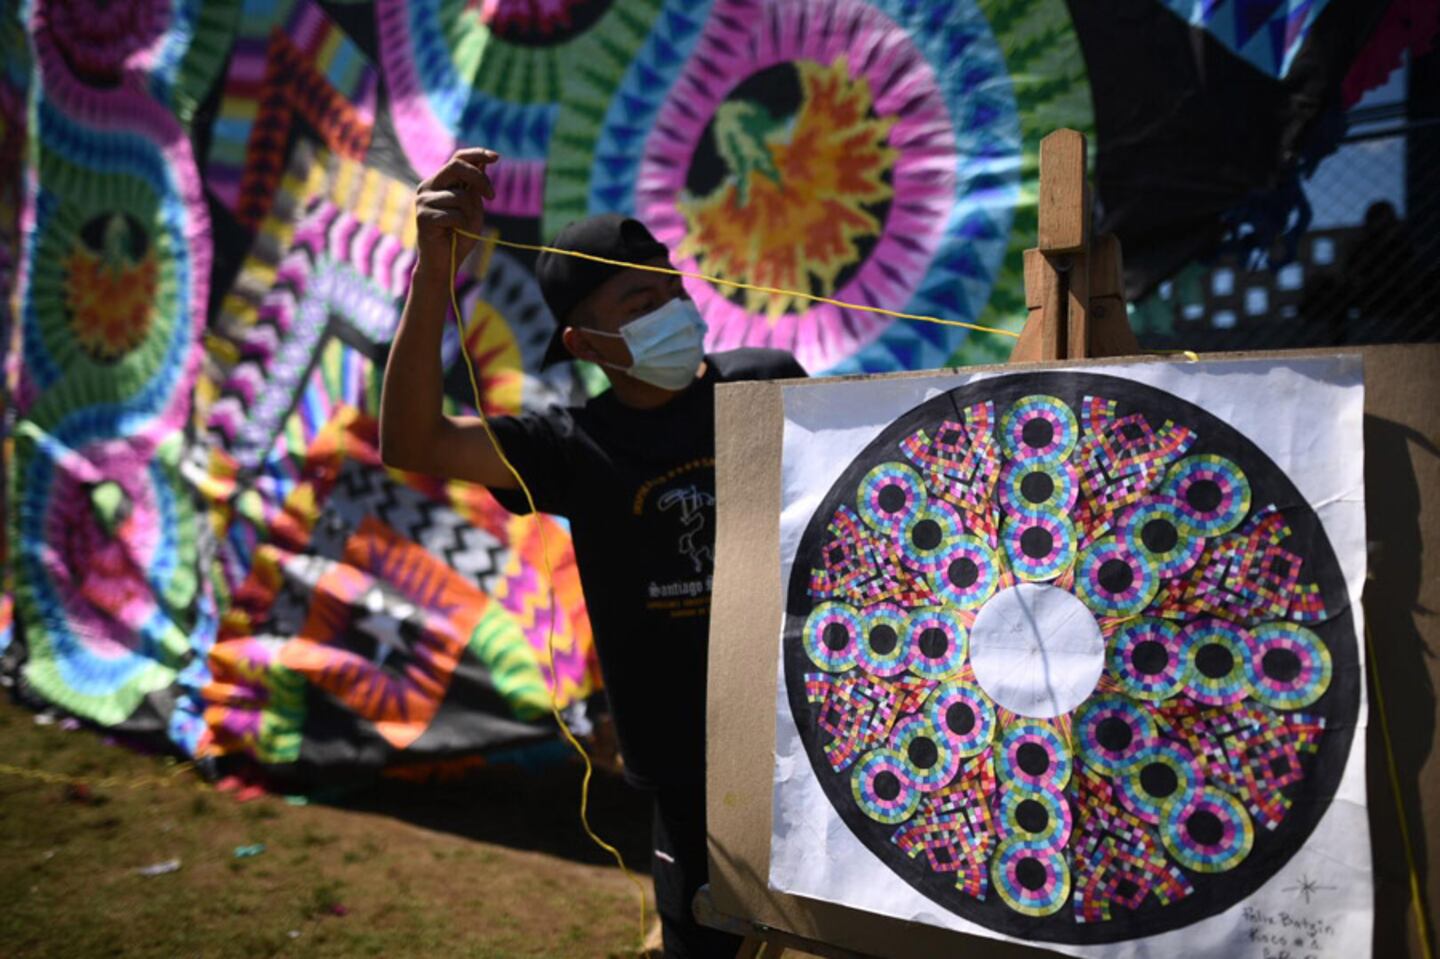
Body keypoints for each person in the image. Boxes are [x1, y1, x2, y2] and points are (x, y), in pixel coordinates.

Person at [379, 147, 807, 958]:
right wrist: (431, 272)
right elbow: (412, 440)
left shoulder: (771, 384)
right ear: (586, 341)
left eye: (673, 285)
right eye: (642, 298)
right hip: (683, 770)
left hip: (804, 733)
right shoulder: (571, 446)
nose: (673, 305)